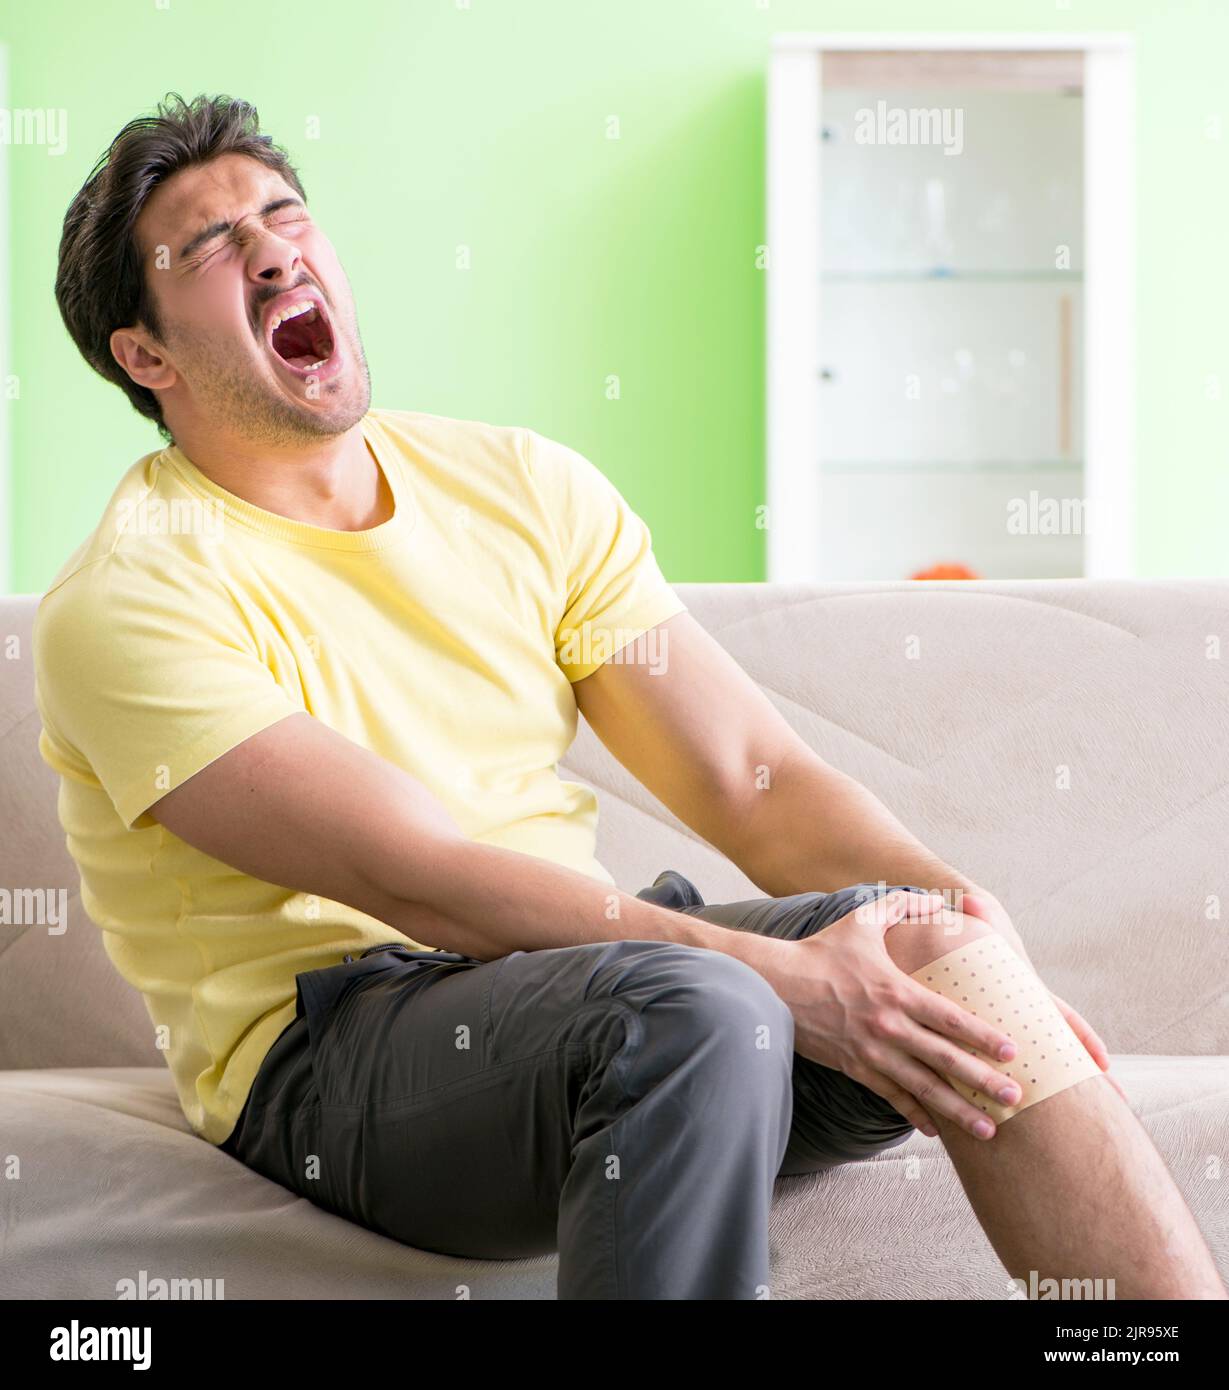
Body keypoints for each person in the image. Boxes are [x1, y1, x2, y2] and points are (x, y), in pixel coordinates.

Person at [35, 92, 1226, 1300]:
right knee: (701, 1006)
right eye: (211, 244)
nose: (271, 249)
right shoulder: (132, 594)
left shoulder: (518, 487)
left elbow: (750, 777)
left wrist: (972, 918)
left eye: (284, 213)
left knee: (939, 947)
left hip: (577, 993)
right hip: (334, 1049)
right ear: (147, 356)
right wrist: (779, 979)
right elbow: (419, 876)